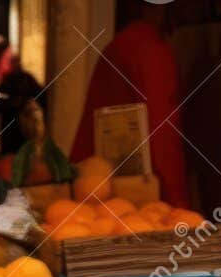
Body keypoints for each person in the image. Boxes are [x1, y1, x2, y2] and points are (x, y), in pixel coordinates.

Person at [70, 0, 188, 205]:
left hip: (93, 185)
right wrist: (180, 207)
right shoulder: (150, 50)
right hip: (127, 195)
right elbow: (161, 136)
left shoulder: (122, 43)